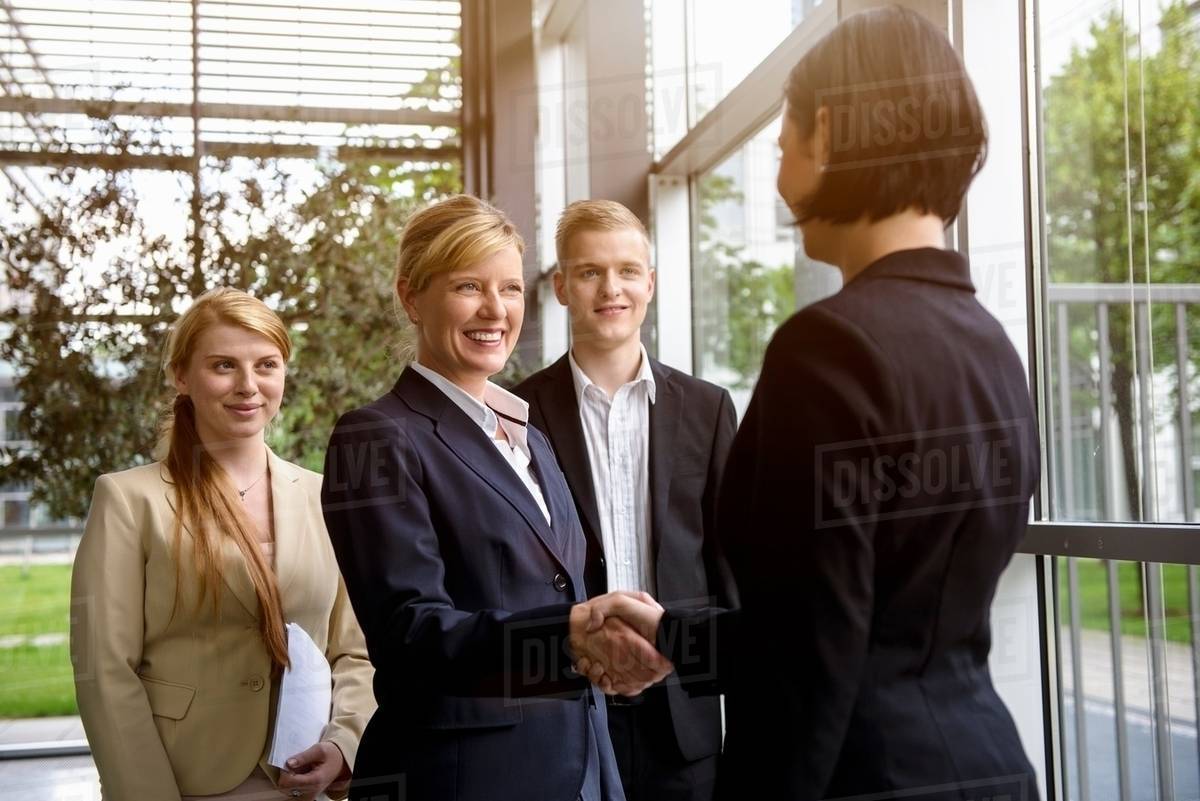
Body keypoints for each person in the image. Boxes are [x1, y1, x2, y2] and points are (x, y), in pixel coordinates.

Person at [578, 7, 1041, 801]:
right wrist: (674, 635)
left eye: (785, 132)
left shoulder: (827, 350)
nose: (780, 156)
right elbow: (857, 623)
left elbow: (807, 677)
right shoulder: (992, 344)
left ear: (827, 135)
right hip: (987, 764)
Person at [319, 194, 672, 801]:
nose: (495, 309)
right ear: (411, 297)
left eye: (510, 288)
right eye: (467, 287)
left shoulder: (529, 434)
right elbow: (410, 635)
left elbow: (561, 589)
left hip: (579, 766)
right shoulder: (375, 437)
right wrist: (570, 636)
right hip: (464, 777)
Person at [71, 287, 376, 801]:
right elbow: (104, 670)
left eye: (267, 365)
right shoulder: (129, 499)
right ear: (181, 376)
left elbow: (355, 650)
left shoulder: (324, 496)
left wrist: (345, 740)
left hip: (303, 781)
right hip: (184, 780)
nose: (248, 386)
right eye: (223, 366)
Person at [513, 199, 737, 801]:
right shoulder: (517, 414)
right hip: (566, 706)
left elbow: (729, 564)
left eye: (627, 271)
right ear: (561, 287)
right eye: (589, 272)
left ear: (651, 283)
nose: (611, 288)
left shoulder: (709, 409)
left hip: (684, 715)